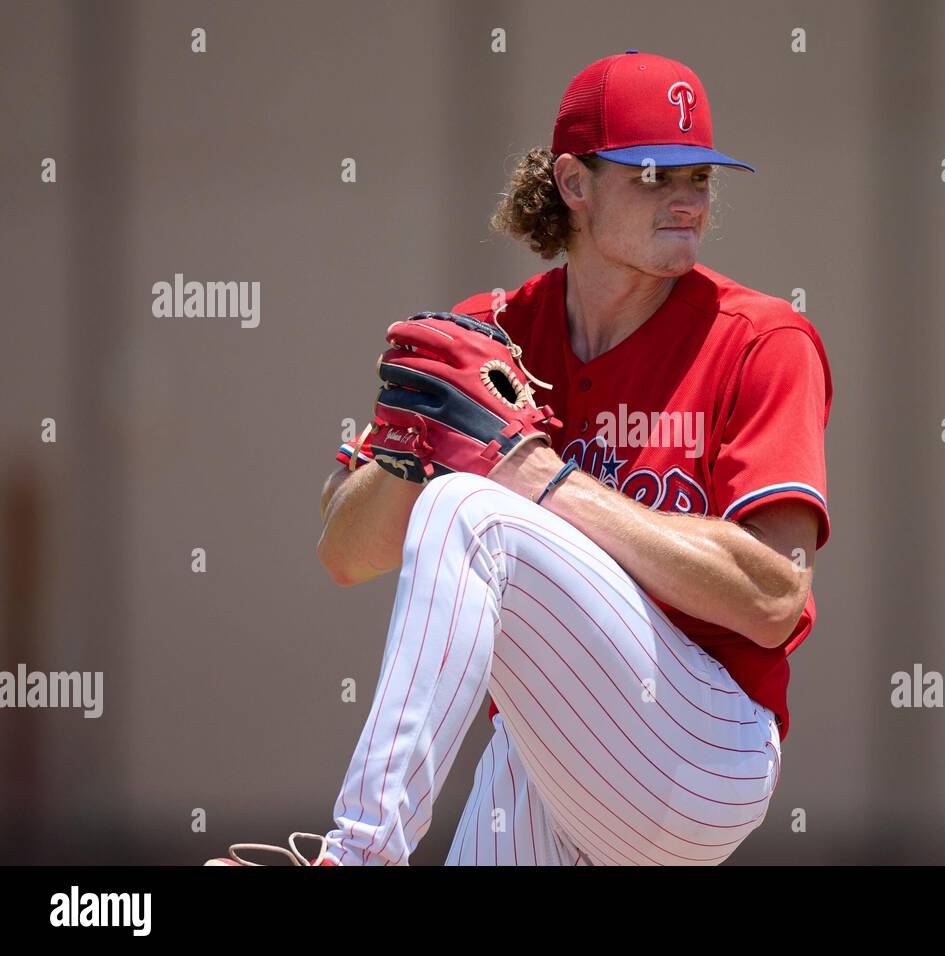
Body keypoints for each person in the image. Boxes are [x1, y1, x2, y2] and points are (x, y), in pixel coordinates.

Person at [209, 49, 831, 867]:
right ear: (574, 184)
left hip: (705, 749)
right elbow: (344, 554)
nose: (686, 200)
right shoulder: (490, 335)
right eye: (653, 173)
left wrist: (535, 475)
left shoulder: (760, 339)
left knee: (476, 513)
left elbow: (773, 598)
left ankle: (359, 854)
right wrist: (420, 458)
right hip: (553, 753)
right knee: (454, 504)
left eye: (702, 178)